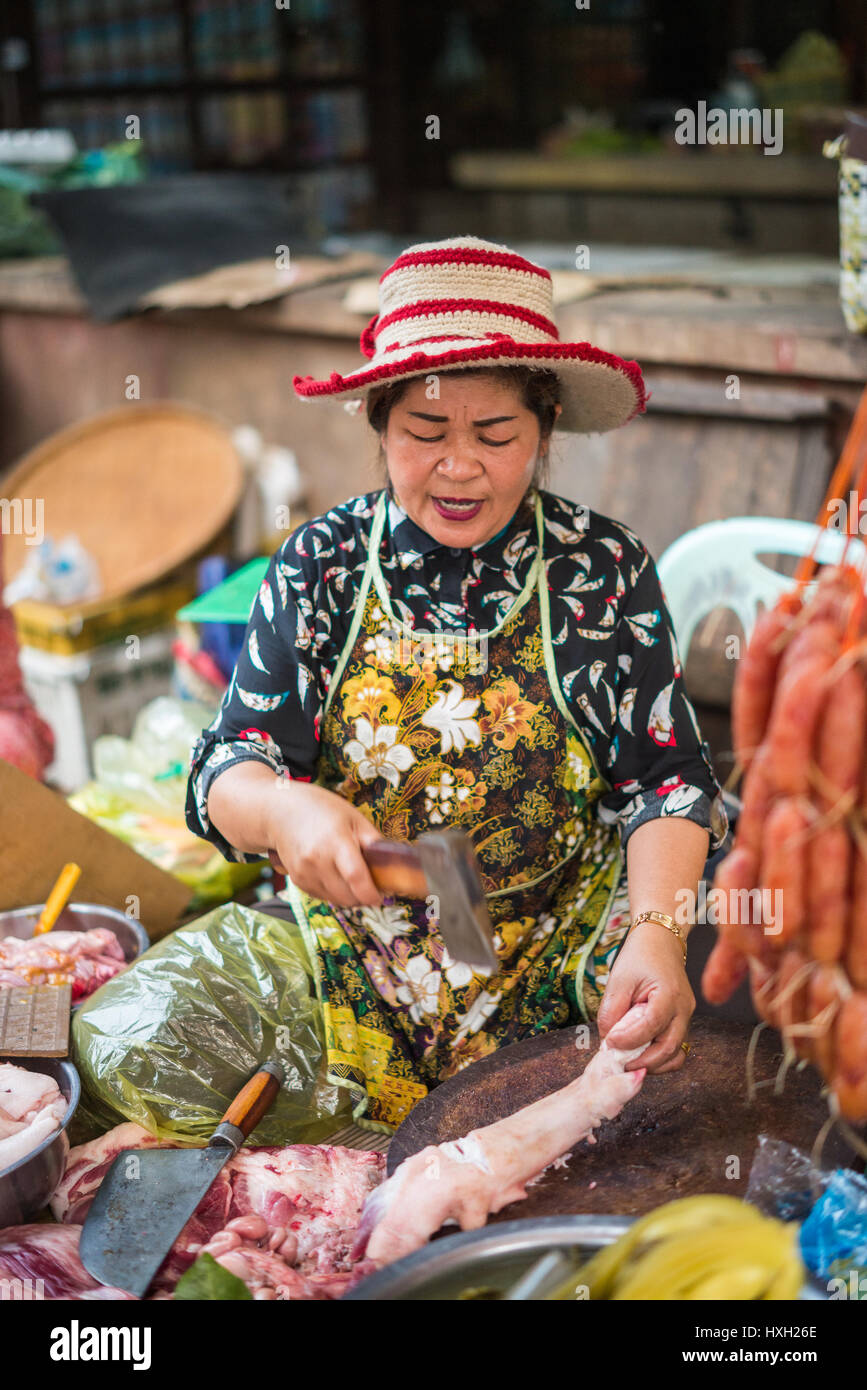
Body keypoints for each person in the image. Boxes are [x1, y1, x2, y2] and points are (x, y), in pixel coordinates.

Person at [186, 236, 727, 1133]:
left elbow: (666, 782)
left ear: (545, 430)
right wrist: (284, 811)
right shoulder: (320, 563)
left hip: (560, 943)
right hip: (355, 954)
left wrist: (656, 935)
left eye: (496, 434)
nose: (459, 465)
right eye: (424, 433)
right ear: (380, 425)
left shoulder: (603, 567)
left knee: (640, 1121)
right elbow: (226, 768)